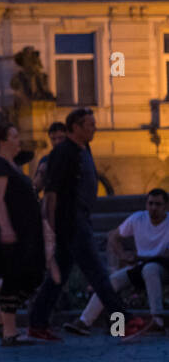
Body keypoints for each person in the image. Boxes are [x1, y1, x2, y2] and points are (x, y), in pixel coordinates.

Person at [31, 108, 127, 341]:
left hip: (80, 217)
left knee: (59, 276)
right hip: (71, 221)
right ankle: (126, 320)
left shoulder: (85, 149)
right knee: (97, 273)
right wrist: (51, 229)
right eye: (89, 125)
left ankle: (37, 323)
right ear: (75, 127)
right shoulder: (64, 152)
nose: (94, 128)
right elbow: (51, 194)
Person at [66, 188, 168, 339]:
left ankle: (157, 321)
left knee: (150, 269)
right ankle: (84, 322)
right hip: (138, 266)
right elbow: (113, 236)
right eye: (150, 203)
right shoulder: (138, 219)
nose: (153, 208)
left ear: (165, 206)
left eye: (158, 204)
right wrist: (122, 255)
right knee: (111, 282)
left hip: (163, 267)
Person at [0, 123, 46, 346]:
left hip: (26, 230)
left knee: (33, 274)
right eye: (15, 135)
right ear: (2, 141)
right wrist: (6, 228)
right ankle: (9, 331)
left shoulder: (14, 165)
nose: (19, 140)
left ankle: (0, 315)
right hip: (9, 231)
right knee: (13, 276)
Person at [31, 121, 68, 194]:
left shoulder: (75, 157)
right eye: (53, 139)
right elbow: (35, 188)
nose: (57, 142)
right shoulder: (46, 160)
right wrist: (41, 173)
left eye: (61, 138)